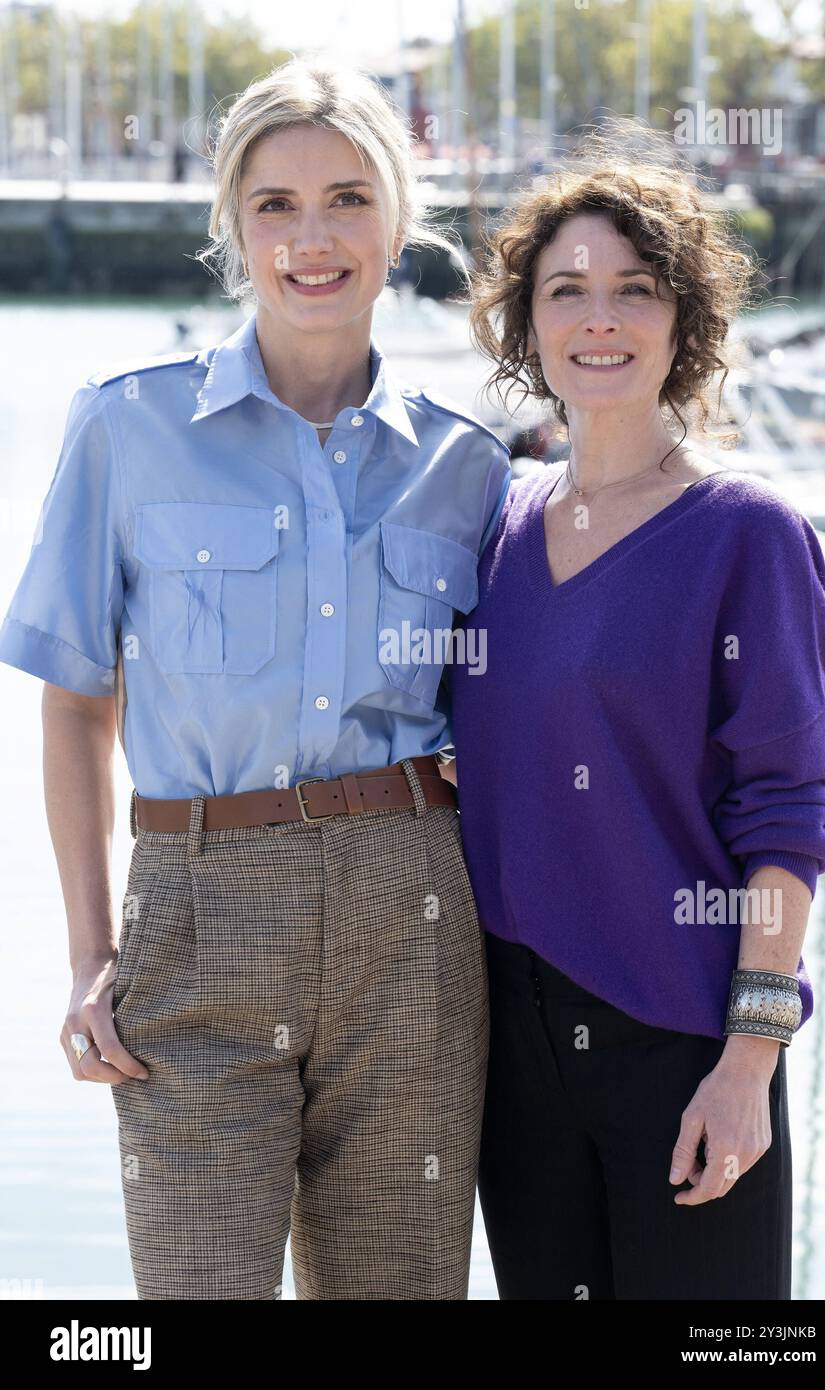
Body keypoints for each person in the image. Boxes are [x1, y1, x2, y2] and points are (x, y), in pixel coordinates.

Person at [0, 58, 511, 1301]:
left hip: (415, 928)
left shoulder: (469, 462)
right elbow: (75, 704)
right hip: (196, 913)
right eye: (275, 204)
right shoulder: (125, 428)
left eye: (346, 198)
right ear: (231, 223)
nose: (313, 237)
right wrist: (85, 954)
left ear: (397, 222)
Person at [449, 121, 825, 1300]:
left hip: (680, 1039)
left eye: (633, 288)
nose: (599, 318)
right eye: (565, 291)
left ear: (683, 321)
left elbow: (788, 820)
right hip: (507, 1045)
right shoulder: (495, 526)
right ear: (526, 328)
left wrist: (745, 1065)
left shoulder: (745, 534)